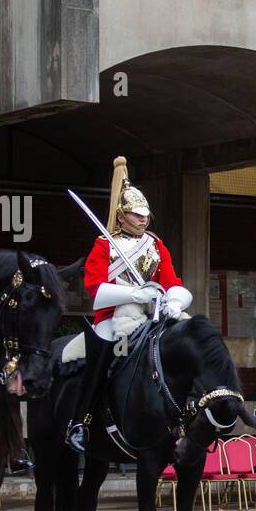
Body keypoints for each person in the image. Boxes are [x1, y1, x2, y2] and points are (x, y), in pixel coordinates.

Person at [66, 156, 193, 453]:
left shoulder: (155, 244)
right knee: (101, 357)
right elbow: (95, 290)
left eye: (145, 214)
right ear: (121, 217)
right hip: (114, 317)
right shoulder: (104, 244)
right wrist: (136, 295)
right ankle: (80, 421)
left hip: (154, 313)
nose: (143, 219)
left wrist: (173, 302)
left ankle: (189, 410)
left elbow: (172, 280)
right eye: (136, 214)